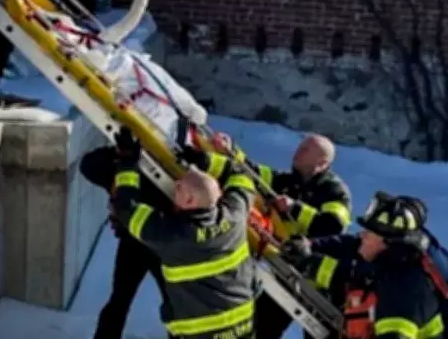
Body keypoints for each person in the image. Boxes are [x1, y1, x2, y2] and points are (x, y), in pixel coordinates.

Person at [183, 132, 351, 337]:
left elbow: (332, 226)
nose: (298, 151)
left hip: (316, 283)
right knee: (261, 328)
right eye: (301, 146)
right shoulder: (289, 180)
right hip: (287, 272)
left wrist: (295, 208)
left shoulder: (334, 191)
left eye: (306, 150)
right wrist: (228, 151)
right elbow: (252, 174)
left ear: (322, 163)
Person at [109, 126, 259, 339]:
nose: (175, 188)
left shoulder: (171, 234)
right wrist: (207, 161)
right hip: (242, 329)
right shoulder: (234, 216)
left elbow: (125, 207)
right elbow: (243, 178)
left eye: (179, 188)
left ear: (190, 201)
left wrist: (127, 161)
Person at [282, 192, 445, 339]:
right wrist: (308, 245)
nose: (362, 235)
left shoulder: (403, 287)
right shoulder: (383, 263)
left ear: (387, 243)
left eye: (369, 232)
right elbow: (347, 247)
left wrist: (312, 265)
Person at [78, 144, 175, 339]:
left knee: (173, 305)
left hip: (159, 245)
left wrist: (122, 154)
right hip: (144, 244)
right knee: (121, 301)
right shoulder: (122, 165)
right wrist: (119, 150)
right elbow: (88, 166)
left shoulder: (170, 166)